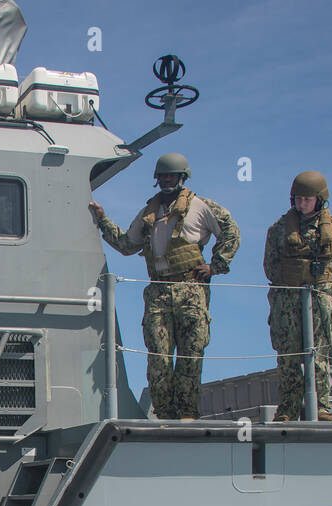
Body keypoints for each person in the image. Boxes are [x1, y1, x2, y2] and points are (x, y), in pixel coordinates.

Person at [89, 153, 240, 419]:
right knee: (158, 357)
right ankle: (165, 413)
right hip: (158, 290)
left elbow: (231, 232)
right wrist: (102, 219)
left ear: (183, 178)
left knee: (191, 354)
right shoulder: (150, 212)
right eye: (163, 177)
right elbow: (126, 244)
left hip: (190, 288)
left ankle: (187, 412)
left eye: (172, 176)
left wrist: (216, 266)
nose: (167, 181)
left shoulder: (201, 206)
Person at [264, 171, 332, 421]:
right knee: (288, 356)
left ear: (319, 199)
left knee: (320, 355)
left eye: (307, 199)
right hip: (287, 299)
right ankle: (288, 410)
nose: (302, 203)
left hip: (321, 297)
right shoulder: (279, 229)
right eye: (298, 198)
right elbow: (270, 266)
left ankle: (321, 406)